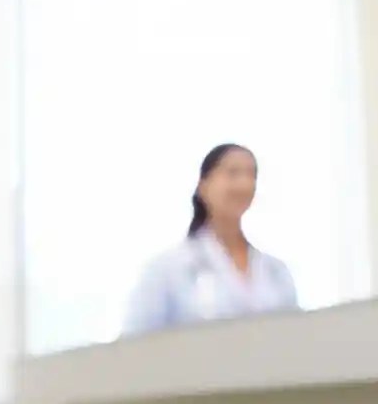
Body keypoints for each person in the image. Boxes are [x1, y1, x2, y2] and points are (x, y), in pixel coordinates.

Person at [123, 144, 298, 336]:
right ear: (203, 186)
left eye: (251, 175)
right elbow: (132, 346)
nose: (244, 184)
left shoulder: (276, 272)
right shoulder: (167, 269)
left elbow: (296, 338)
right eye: (233, 173)